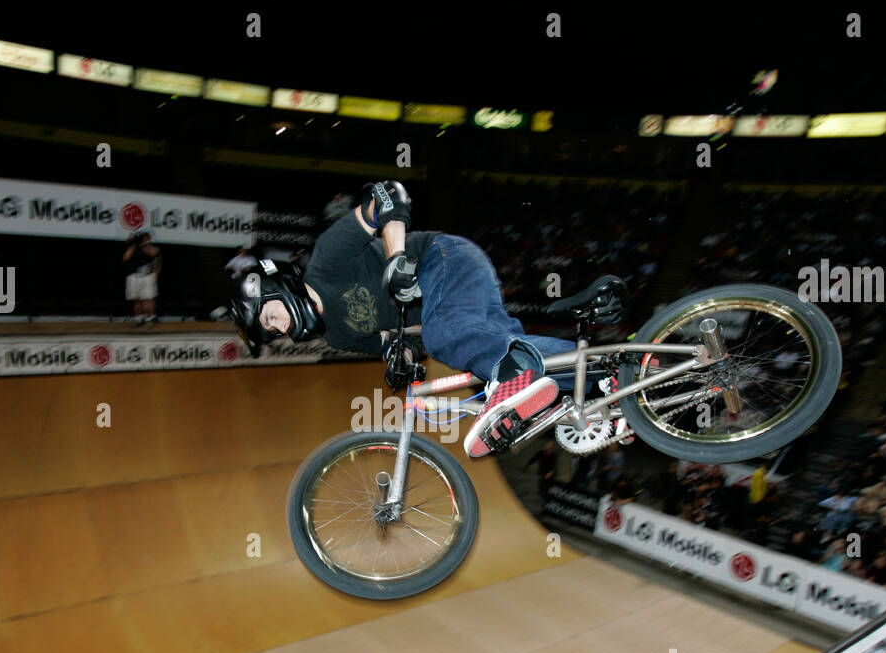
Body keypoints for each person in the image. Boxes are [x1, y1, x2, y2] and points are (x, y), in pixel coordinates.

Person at [229, 181, 580, 457]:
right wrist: (403, 356)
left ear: (281, 288)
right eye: (273, 331)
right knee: (490, 348)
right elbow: (401, 340)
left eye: (272, 316)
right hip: (452, 300)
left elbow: (388, 194)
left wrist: (396, 257)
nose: (281, 329)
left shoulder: (327, 259)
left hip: (444, 257)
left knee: (448, 337)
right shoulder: (337, 336)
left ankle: (514, 376)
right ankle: (601, 375)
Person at [123, 232, 160, 325]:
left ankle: (151, 317)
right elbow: (125, 258)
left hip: (147, 275)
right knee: (136, 299)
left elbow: (154, 253)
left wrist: (144, 244)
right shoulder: (133, 247)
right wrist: (133, 245)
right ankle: (139, 318)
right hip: (134, 276)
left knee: (148, 298)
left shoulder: (150, 247)